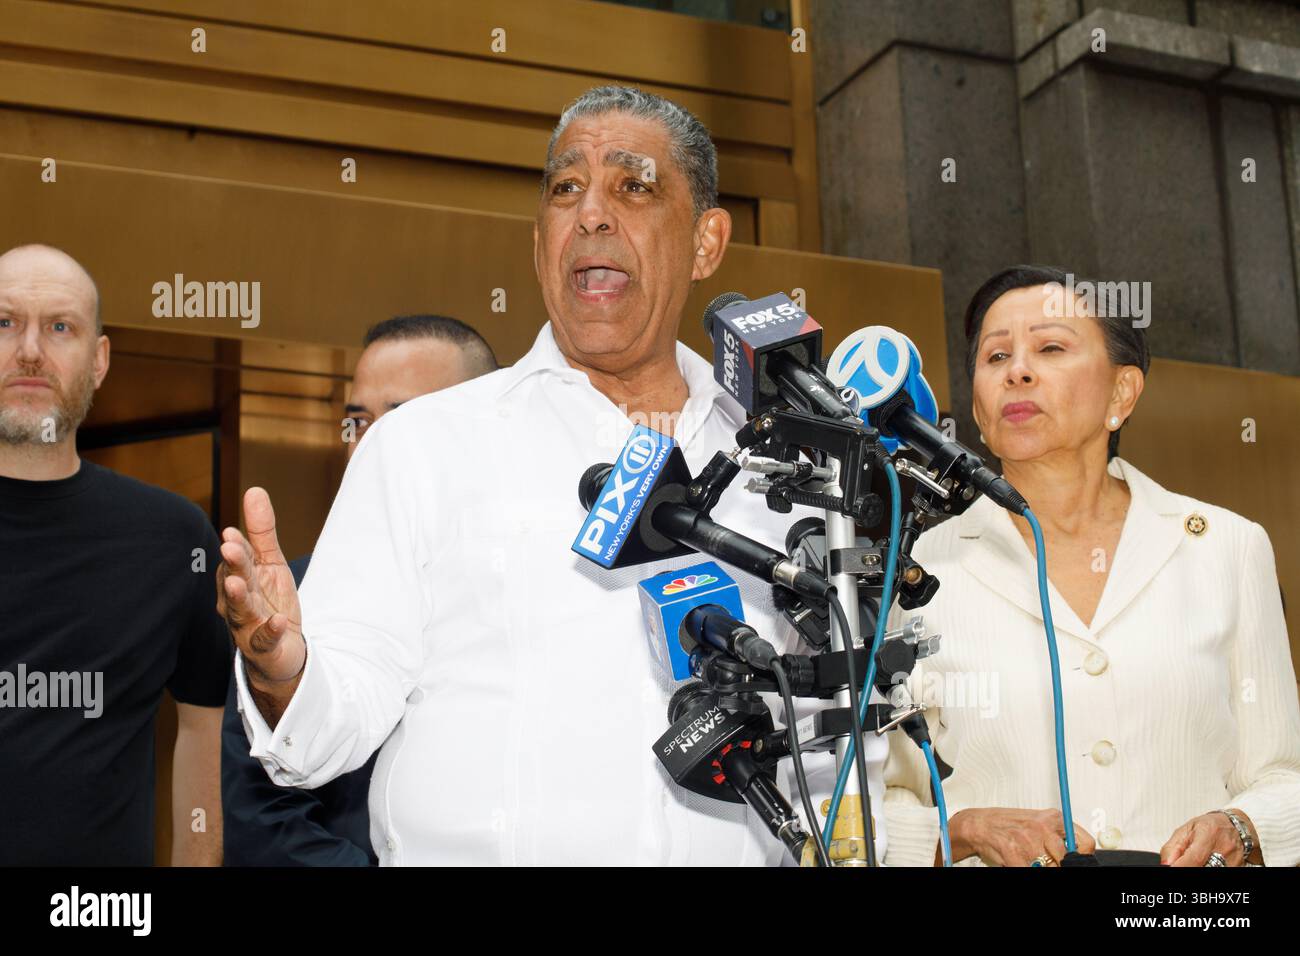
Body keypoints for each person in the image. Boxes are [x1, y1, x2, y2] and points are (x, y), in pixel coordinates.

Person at [216, 86, 884, 865]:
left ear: (707, 242)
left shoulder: (792, 464)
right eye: (566, 189)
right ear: (540, 243)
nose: (591, 215)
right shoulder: (424, 446)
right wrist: (284, 668)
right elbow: (329, 728)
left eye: (633, 186)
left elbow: (841, 746)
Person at [881, 264, 1300, 867]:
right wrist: (962, 830)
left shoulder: (1226, 547)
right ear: (975, 404)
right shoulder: (920, 565)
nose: (1017, 371)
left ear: (1121, 394)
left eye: (1050, 348)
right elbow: (873, 792)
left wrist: (1241, 826)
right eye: (995, 358)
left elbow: (1282, 775)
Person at [221, 314, 497, 866]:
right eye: (358, 423)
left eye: (401, 423)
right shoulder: (289, 602)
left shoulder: (544, 591)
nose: (368, 448)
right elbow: (262, 824)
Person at [0, 244, 230, 865]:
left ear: (99, 360)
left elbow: (202, 730)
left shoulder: (175, 540)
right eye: (4, 322)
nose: (28, 350)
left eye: (59, 327)